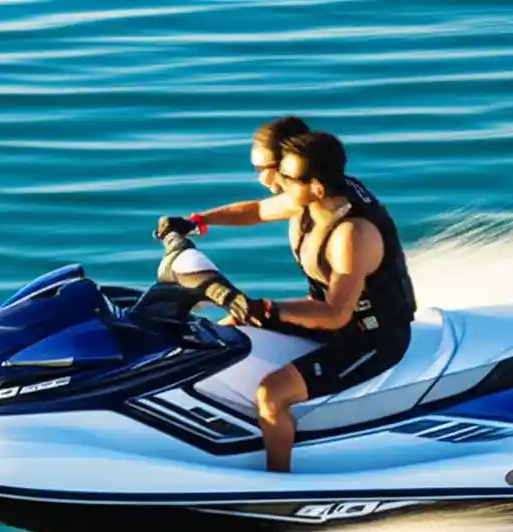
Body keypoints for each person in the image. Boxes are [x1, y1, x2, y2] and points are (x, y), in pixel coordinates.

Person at [155, 131, 417, 472]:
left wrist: (268, 308)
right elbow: (257, 211)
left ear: (316, 187)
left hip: (372, 337)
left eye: (287, 177)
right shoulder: (312, 198)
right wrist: (196, 222)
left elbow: (336, 314)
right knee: (225, 331)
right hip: (323, 313)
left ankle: (278, 481)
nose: (278, 182)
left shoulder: (352, 236)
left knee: (272, 394)